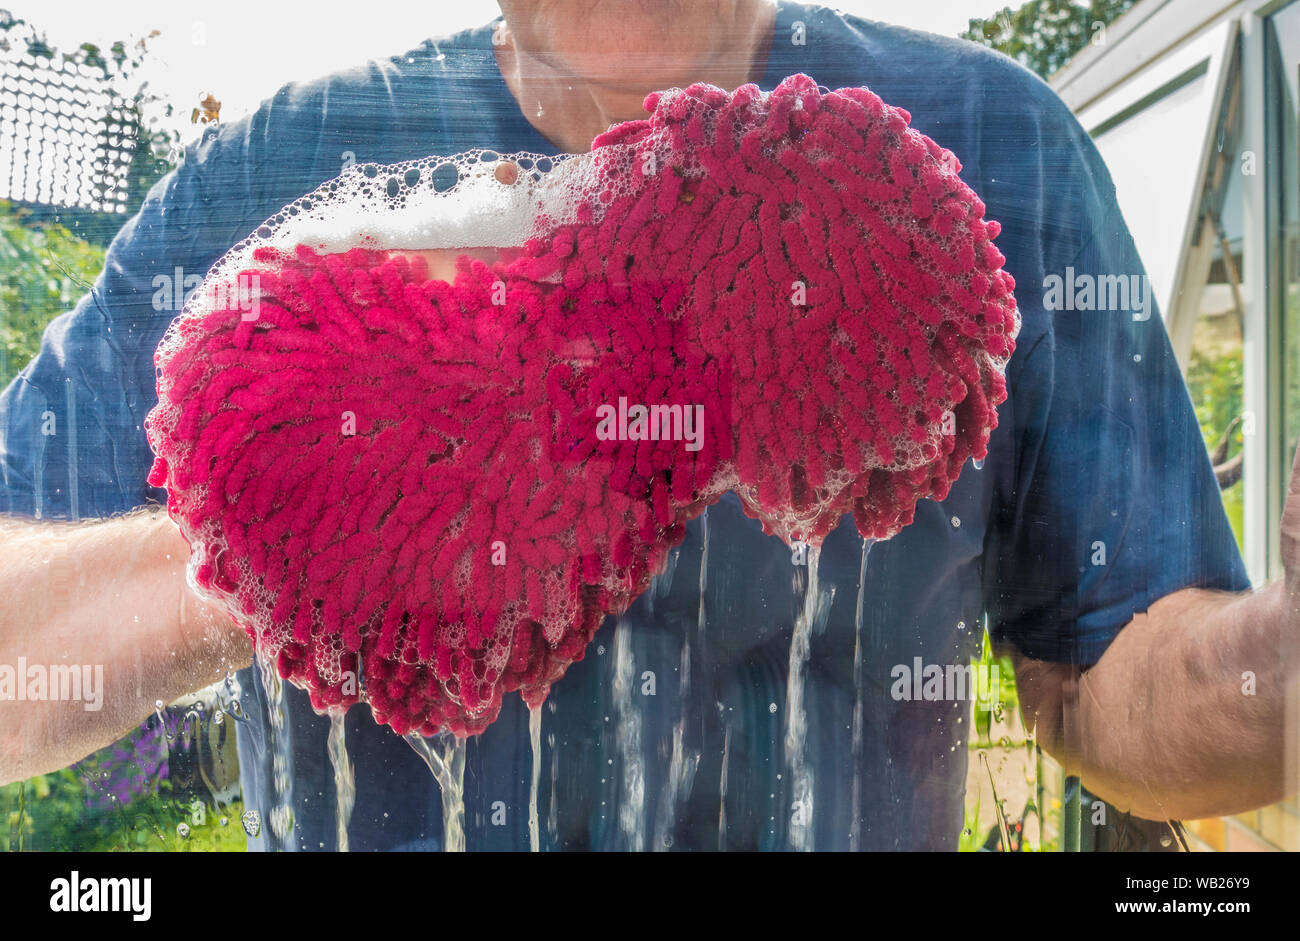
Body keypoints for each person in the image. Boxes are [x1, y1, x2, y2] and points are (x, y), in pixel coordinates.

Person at [0, 0, 1295, 851]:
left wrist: (1280, 668)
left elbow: (1114, 676)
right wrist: (314, 509)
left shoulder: (990, 149)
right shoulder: (278, 183)